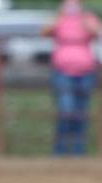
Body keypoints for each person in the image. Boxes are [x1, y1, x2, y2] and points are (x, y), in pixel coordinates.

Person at [42, 0, 99, 156]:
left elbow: (97, 32)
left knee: (81, 112)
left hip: (85, 72)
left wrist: (83, 19)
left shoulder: (88, 18)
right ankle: (59, 150)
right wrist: (59, 17)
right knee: (65, 110)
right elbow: (44, 32)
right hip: (62, 71)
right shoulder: (58, 19)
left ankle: (78, 150)